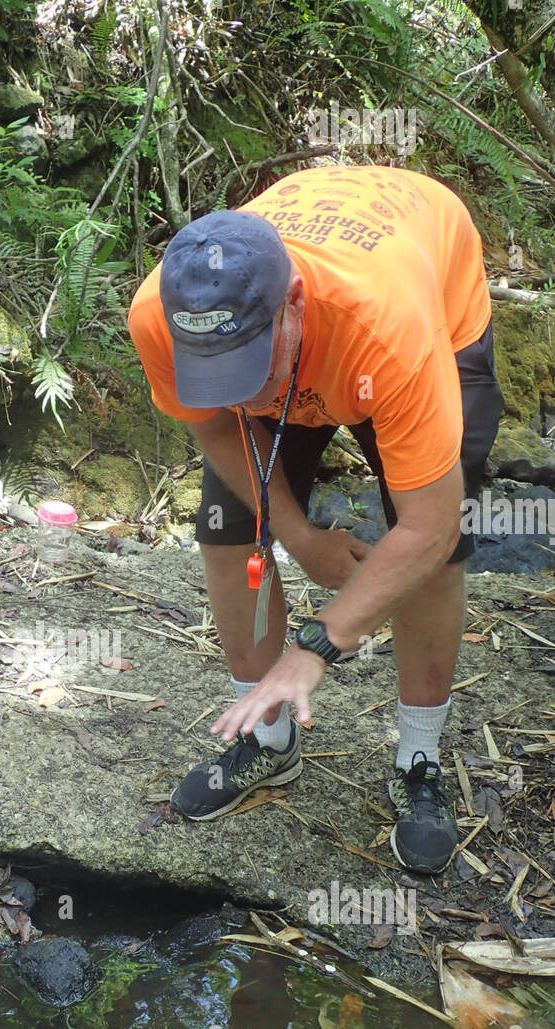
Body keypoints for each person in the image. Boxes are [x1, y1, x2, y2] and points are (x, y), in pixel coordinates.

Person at [128, 163, 504, 874]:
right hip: (322, 334)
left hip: (417, 313)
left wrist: (317, 646)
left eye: (251, 361)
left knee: (432, 551)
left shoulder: (387, 329)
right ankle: (267, 742)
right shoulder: (161, 311)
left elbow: (429, 528)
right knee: (226, 527)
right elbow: (213, 426)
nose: (244, 390)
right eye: (215, 364)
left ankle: (417, 759)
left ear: (293, 301)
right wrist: (296, 534)